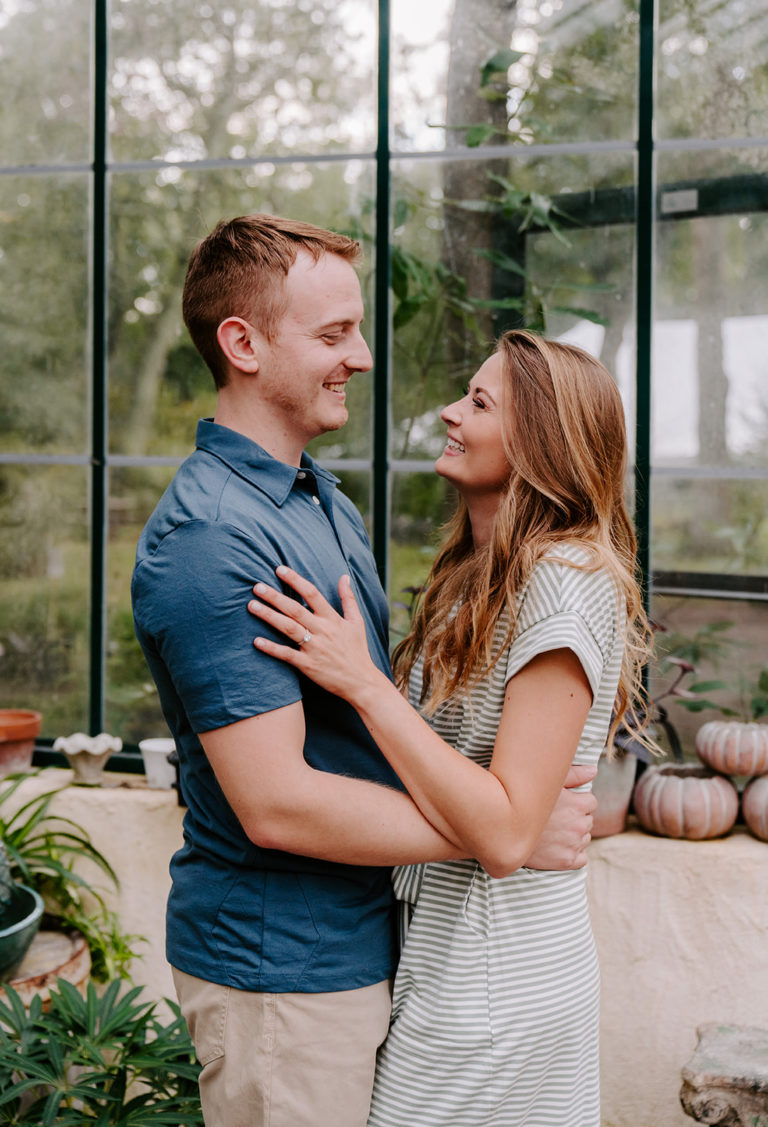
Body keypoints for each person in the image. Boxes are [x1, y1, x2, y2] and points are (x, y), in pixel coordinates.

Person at [131, 214, 598, 1127]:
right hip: (282, 976)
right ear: (244, 343)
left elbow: (375, 733)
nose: (364, 356)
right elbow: (277, 802)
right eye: (334, 333)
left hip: (357, 947)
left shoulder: (318, 498)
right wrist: (504, 832)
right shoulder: (213, 539)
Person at [247, 328, 653, 1127]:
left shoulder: (565, 587)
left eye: (478, 401)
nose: (447, 411)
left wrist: (364, 683)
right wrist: (512, 824)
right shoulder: (476, 576)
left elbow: (503, 831)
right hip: (454, 960)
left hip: (496, 987)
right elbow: (497, 816)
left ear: (543, 439)